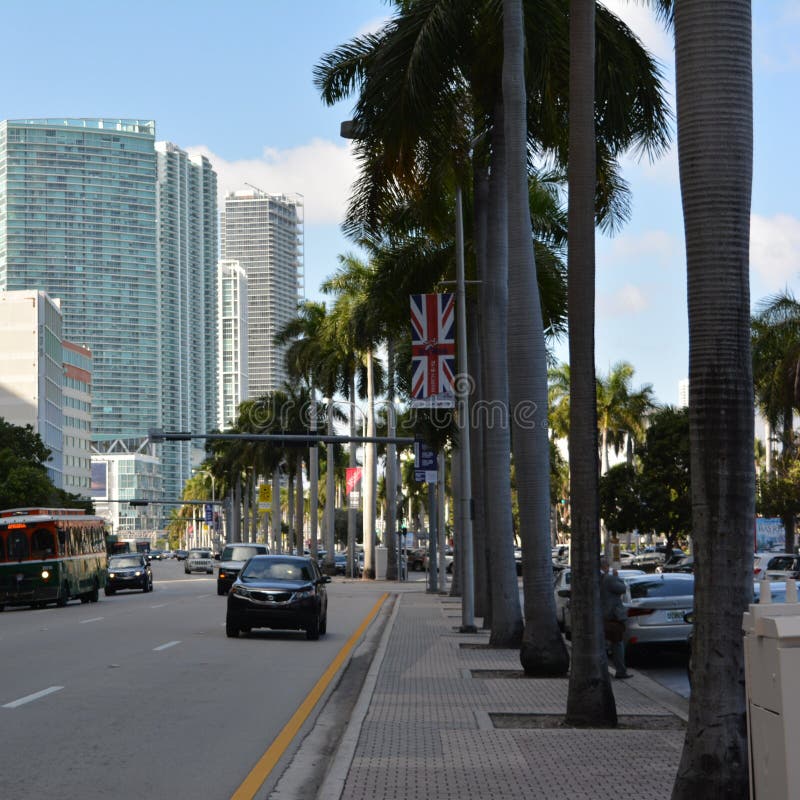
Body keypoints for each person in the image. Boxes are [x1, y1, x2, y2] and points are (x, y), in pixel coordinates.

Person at [600, 556, 632, 679]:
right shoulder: (609, 579)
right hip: (611, 617)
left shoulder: (598, 578)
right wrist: (616, 576)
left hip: (602, 616)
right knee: (617, 644)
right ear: (606, 567)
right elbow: (623, 588)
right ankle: (621, 671)